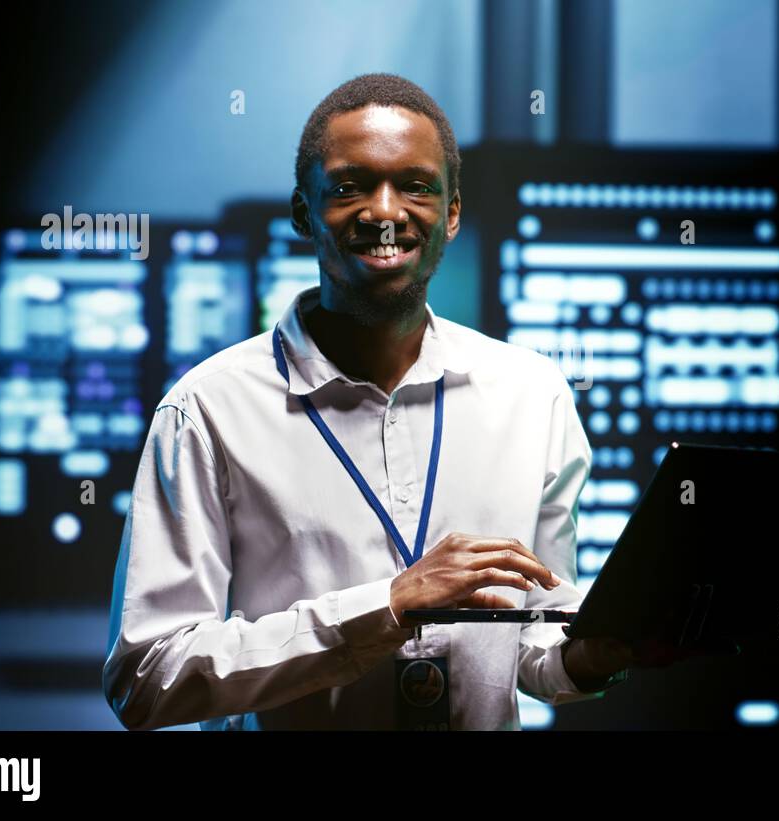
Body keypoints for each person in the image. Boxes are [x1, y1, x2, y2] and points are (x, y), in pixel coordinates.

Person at [102, 73, 675, 731]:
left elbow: (532, 648)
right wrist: (389, 605)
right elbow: (145, 675)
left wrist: (594, 654)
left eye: (416, 186)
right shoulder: (206, 411)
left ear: (452, 213)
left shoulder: (532, 395)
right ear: (302, 213)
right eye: (349, 187)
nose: (384, 210)